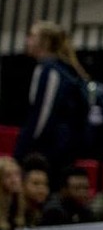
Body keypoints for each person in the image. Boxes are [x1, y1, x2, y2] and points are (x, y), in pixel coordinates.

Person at [14, 21, 89, 180]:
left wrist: (27, 147)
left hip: (50, 149)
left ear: (45, 42)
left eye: (32, 36)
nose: (27, 40)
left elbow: (43, 113)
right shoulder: (60, 68)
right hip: (58, 146)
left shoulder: (49, 70)